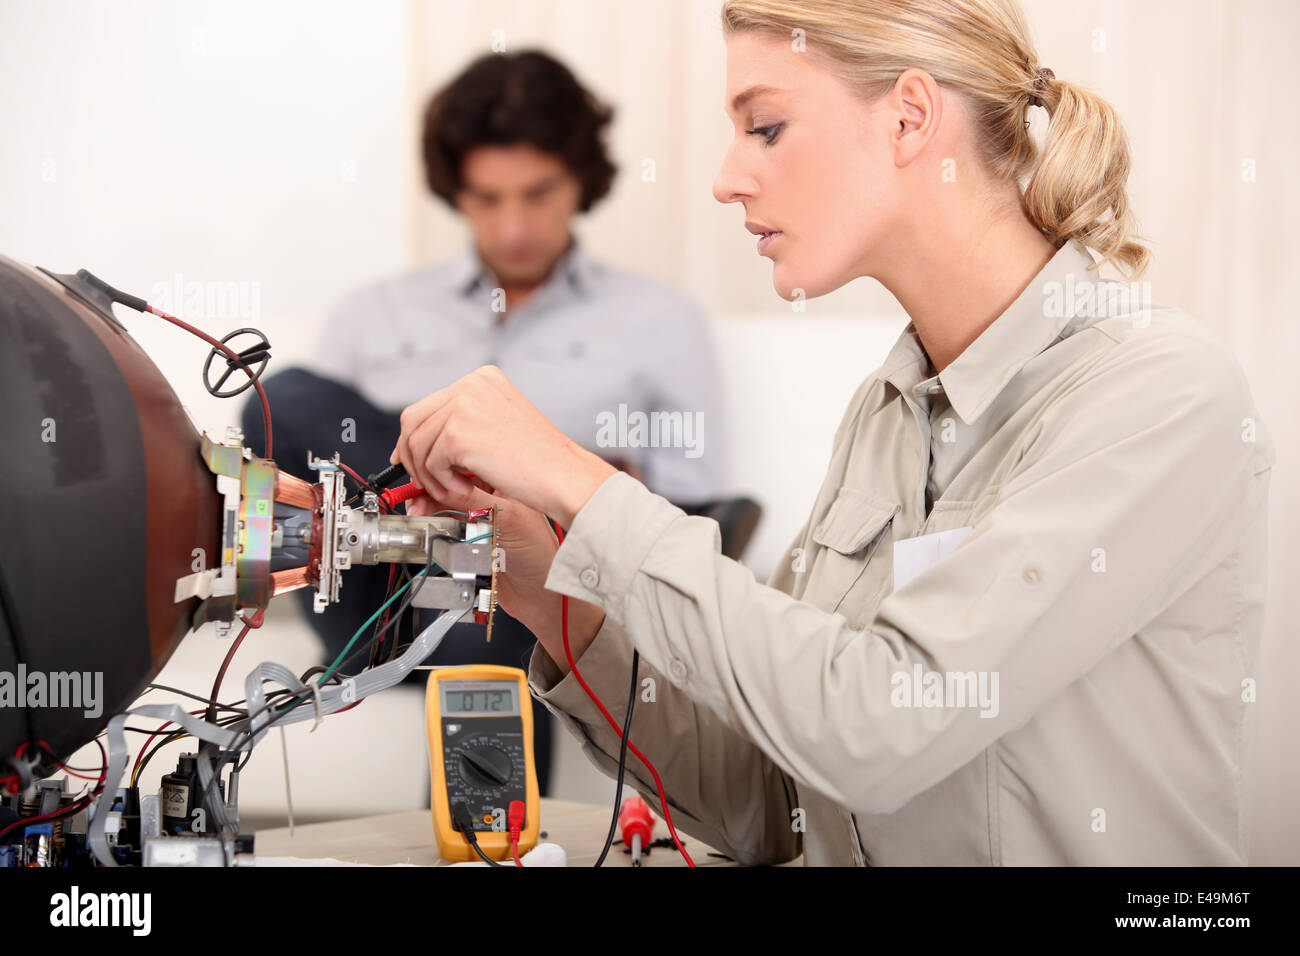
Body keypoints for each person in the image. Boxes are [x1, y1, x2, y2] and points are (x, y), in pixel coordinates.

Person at [386, 0, 1275, 865]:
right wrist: (551, 591)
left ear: (909, 117)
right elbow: (773, 801)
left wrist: (579, 481)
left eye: (764, 126)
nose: (726, 177)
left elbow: (878, 729)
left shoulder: (1158, 395)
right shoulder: (887, 412)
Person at [247, 49, 726, 797]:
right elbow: (302, 480)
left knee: (509, 591)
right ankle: (492, 517)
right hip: (384, 600)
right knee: (286, 395)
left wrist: (559, 489)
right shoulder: (376, 314)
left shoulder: (660, 323)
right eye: (485, 197)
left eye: (539, 193)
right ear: (454, 190)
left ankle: (488, 834)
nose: (512, 227)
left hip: (545, 593)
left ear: (582, 181)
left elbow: (694, 515)